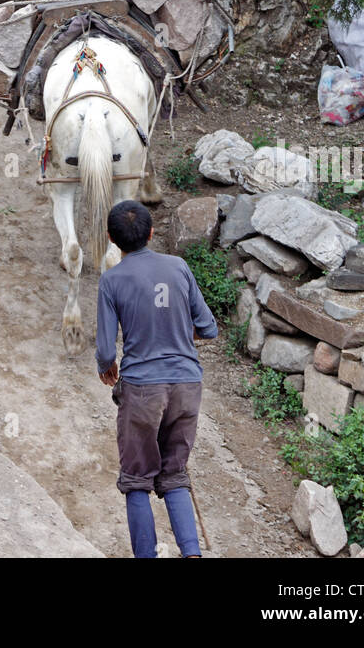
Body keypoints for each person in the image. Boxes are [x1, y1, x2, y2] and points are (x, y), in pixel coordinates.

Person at [96, 198, 217, 560]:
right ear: (152, 233)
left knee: (137, 478)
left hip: (143, 390)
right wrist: (175, 333)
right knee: (174, 471)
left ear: (111, 239)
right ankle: (191, 553)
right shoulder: (178, 266)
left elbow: (105, 350)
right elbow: (207, 327)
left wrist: (108, 367)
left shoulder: (111, 280)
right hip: (187, 385)